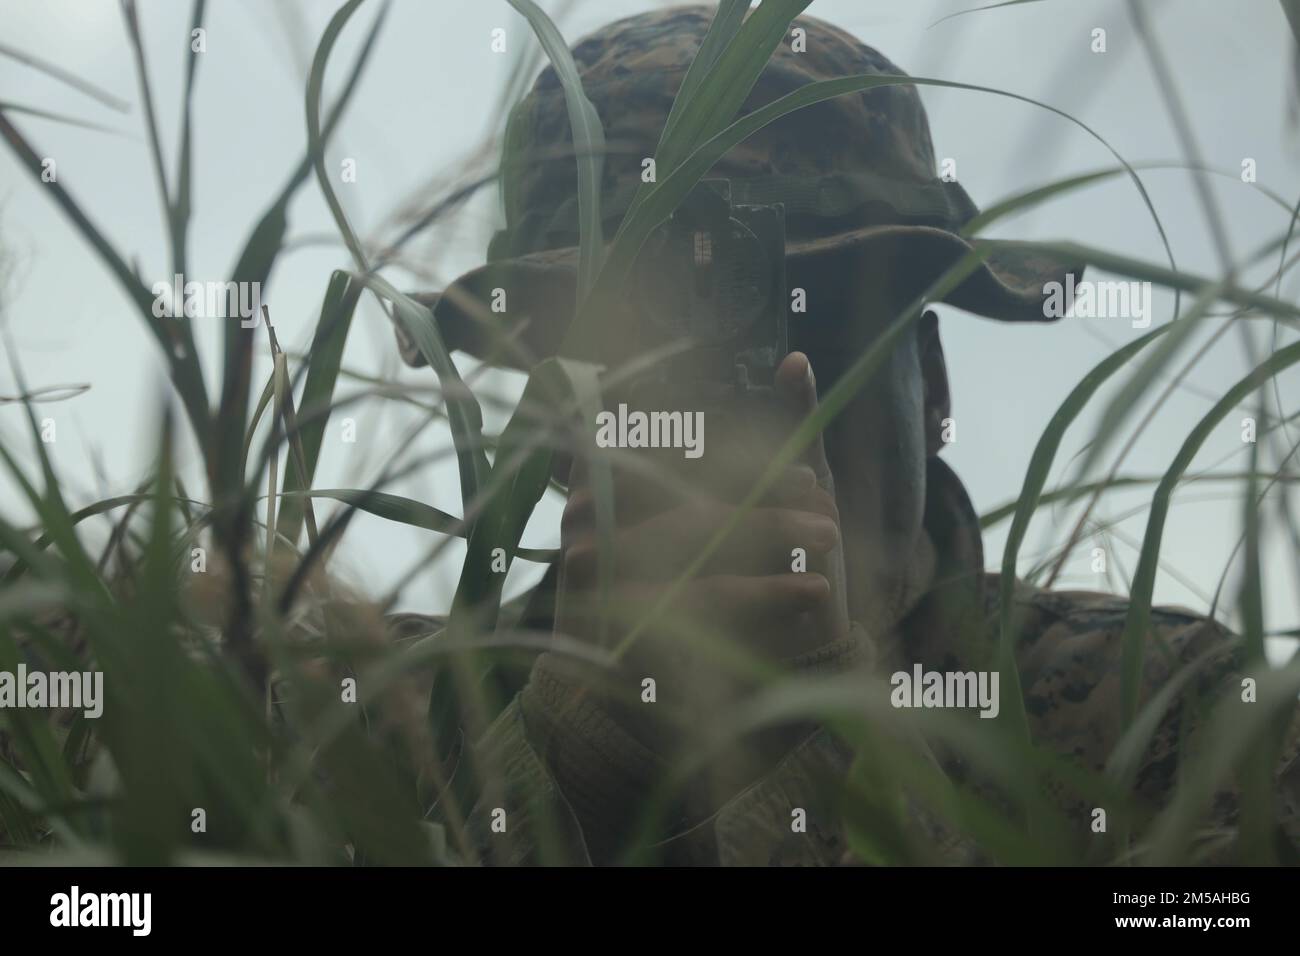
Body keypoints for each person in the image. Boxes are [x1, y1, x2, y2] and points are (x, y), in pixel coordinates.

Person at [391, 5, 1300, 865]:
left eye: (814, 351)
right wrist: (570, 770)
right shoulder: (384, 712)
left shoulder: (1167, 712)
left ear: (933, 386)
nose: (746, 442)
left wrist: (833, 755)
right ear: (553, 422)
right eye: (653, 359)